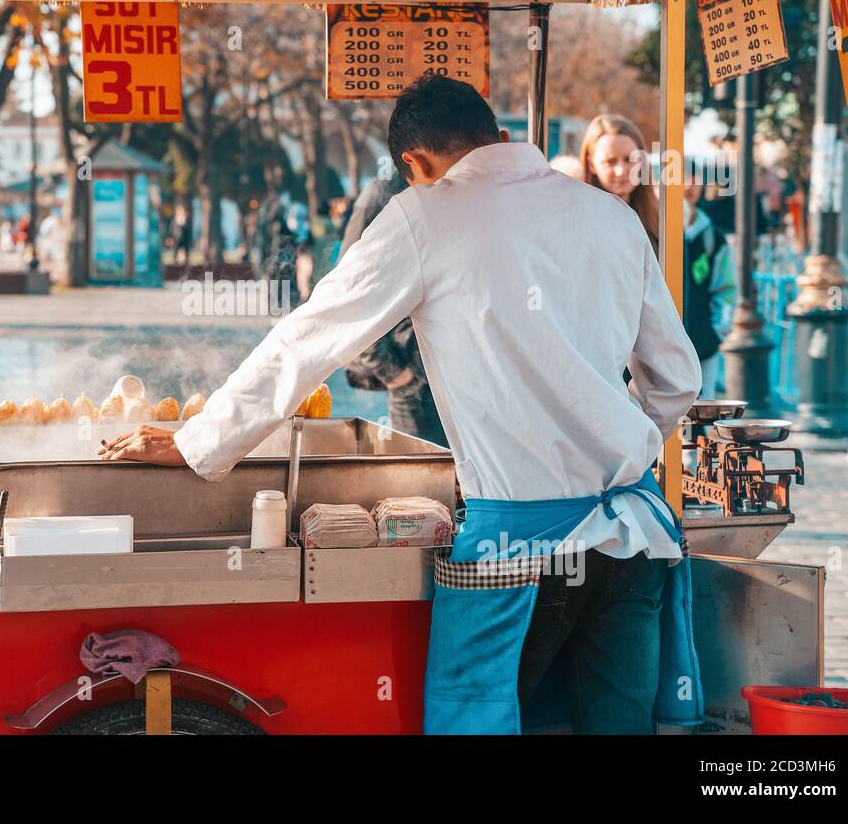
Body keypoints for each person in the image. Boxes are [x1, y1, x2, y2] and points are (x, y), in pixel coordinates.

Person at [101, 75, 702, 735]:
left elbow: (308, 339)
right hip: (633, 544)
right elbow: (676, 379)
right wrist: (610, 445)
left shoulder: (427, 214)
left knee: (480, 719)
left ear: (414, 167)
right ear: (500, 138)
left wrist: (198, 442)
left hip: (515, 550)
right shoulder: (610, 215)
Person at [338, 176, 447, 446]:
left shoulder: (456, 188)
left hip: (456, 376)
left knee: (462, 481)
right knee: (423, 478)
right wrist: (393, 371)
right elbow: (349, 290)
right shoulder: (381, 193)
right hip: (413, 378)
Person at [684, 178, 736, 398]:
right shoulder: (651, 230)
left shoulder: (712, 237)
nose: (687, 185)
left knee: (700, 420)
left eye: (692, 178)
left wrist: (715, 333)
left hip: (703, 348)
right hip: (657, 353)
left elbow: (727, 290)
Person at [579, 114, 659, 254]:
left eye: (629, 159)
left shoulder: (660, 218)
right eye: (610, 161)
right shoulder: (579, 222)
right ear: (591, 164)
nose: (621, 171)